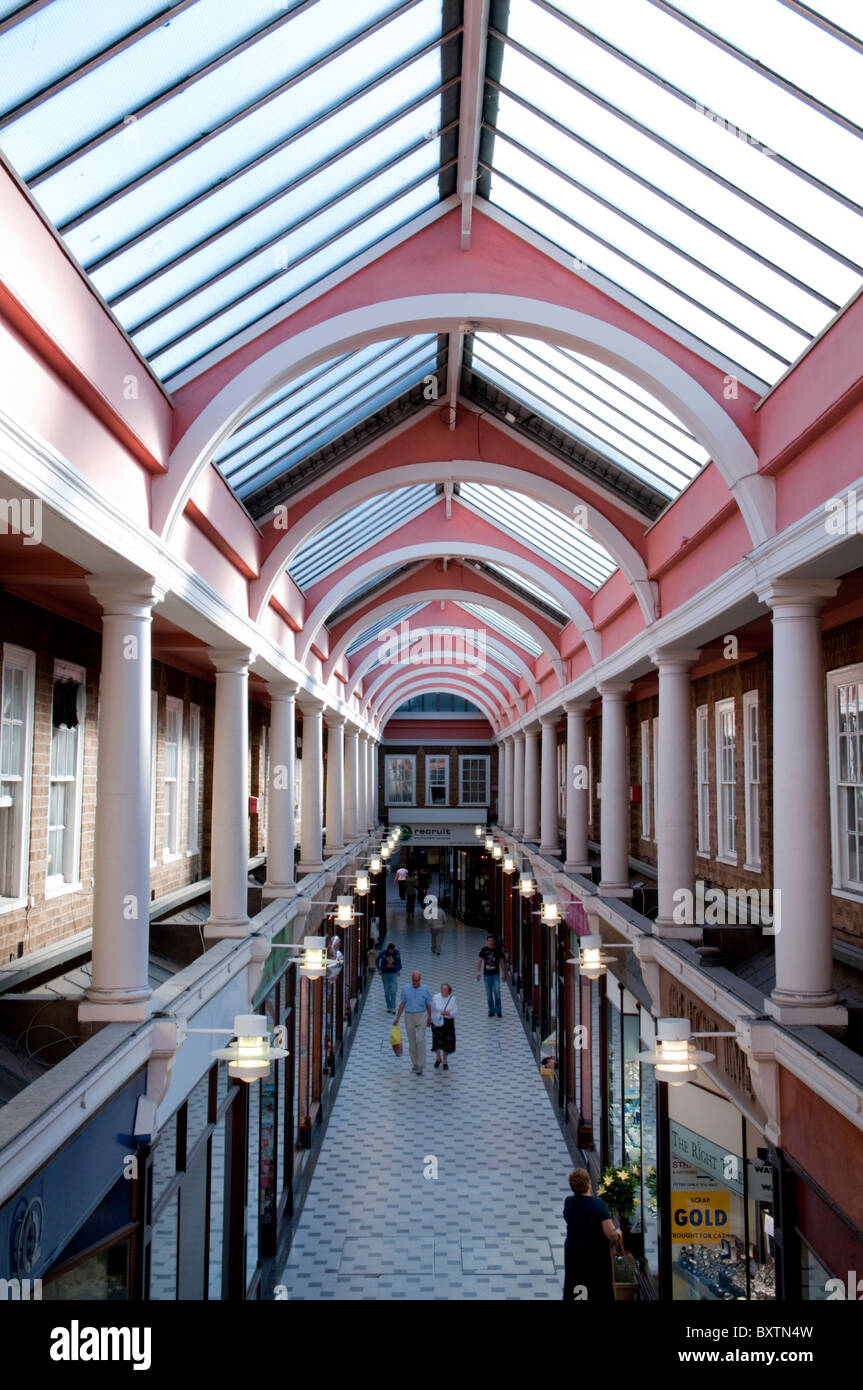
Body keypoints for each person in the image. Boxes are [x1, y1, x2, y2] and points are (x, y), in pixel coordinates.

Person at [562, 1168, 621, 1302]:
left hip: (573, 1252)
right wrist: (618, 1235)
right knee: (596, 1287)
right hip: (594, 1254)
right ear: (588, 1183)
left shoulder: (569, 1202)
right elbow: (610, 1232)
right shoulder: (598, 1205)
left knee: (576, 1283)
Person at [393, 971, 432, 1074]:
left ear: (420, 979)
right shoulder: (406, 989)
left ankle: (420, 1065)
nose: (415, 983)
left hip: (421, 1015)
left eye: (417, 981)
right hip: (409, 1015)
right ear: (411, 979)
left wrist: (429, 1018)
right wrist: (397, 1018)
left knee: (420, 1040)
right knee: (412, 1041)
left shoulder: (425, 989)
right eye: (413, 981)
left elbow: (428, 1004)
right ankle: (414, 1062)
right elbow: (402, 1004)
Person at [476, 933, 506, 1017]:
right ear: (487, 941)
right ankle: (491, 1010)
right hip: (487, 975)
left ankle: (498, 1010)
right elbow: (479, 961)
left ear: (494, 941)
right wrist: (478, 972)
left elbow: (501, 961)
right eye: (489, 940)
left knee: (497, 992)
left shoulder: (498, 950)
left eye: (492, 940)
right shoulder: (484, 950)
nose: (490, 942)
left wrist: (504, 973)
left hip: (495, 974)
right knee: (489, 994)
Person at [430, 983, 457, 1070]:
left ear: (449, 991)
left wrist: (449, 1013)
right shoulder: (435, 997)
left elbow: (455, 1010)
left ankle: (445, 1060)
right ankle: (438, 1058)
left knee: (447, 1041)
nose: (443, 991)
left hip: (448, 1022)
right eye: (442, 988)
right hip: (437, 1021)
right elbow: (432, 1008)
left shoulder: (452, 999)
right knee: (437, 1041)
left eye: (445, 989)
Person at [375, 941, 402, 1012]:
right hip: (385, 974)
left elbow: (399, 962)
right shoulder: (383, 953)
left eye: (392, 950)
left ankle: (393, 1007)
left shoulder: (396, 953)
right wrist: (379, 969)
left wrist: (398, 969)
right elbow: (378, 961)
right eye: (390, 950)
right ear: (388, 949)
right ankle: (388, 1006)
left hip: (393, 973)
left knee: (393, 990)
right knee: (387, 991)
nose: (391, 951)